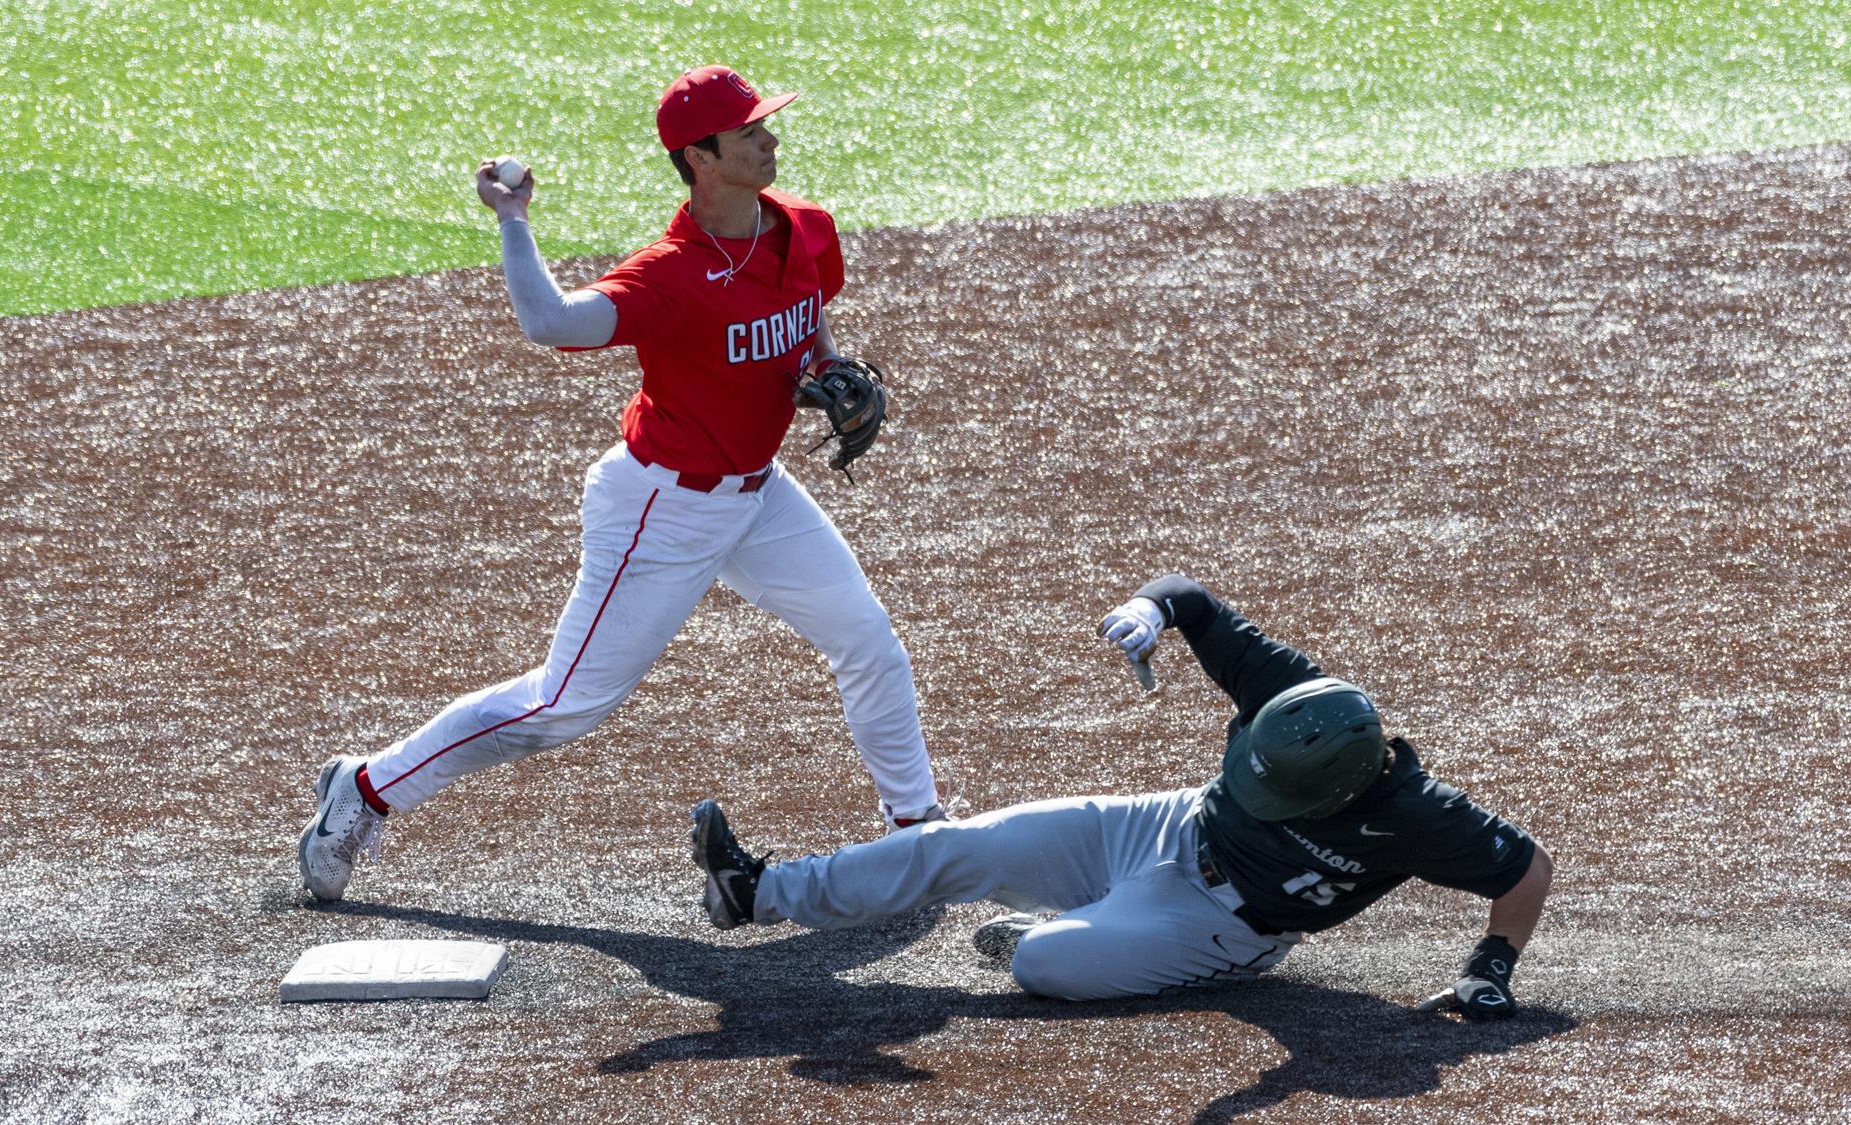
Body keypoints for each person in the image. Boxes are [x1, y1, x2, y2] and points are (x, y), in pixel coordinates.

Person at [299, 64, 947, 903]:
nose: (770, 139)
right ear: (700, 158)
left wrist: (824, 368)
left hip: (759, 494)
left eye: (766, 124)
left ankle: (919, 829)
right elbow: (549, 322)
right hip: (660, 508)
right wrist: (513, 221)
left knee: (868, 642)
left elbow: (808, 320)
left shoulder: (806, 229)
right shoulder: (669, 276)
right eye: (749, 131)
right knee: (562, 706)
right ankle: (366, 787)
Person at [689, 574, 1555, 1015]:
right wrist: (1148, 610)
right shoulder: (1290, 693)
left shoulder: (1417, 814)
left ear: (1338, 791)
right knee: (954, 846)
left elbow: (1526, 867)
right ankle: (757, 890)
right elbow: (1190, 597)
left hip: (1226, 922)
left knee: (1041, 965)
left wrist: (1490, 966)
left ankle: (1081, 930)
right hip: (1163, 824)